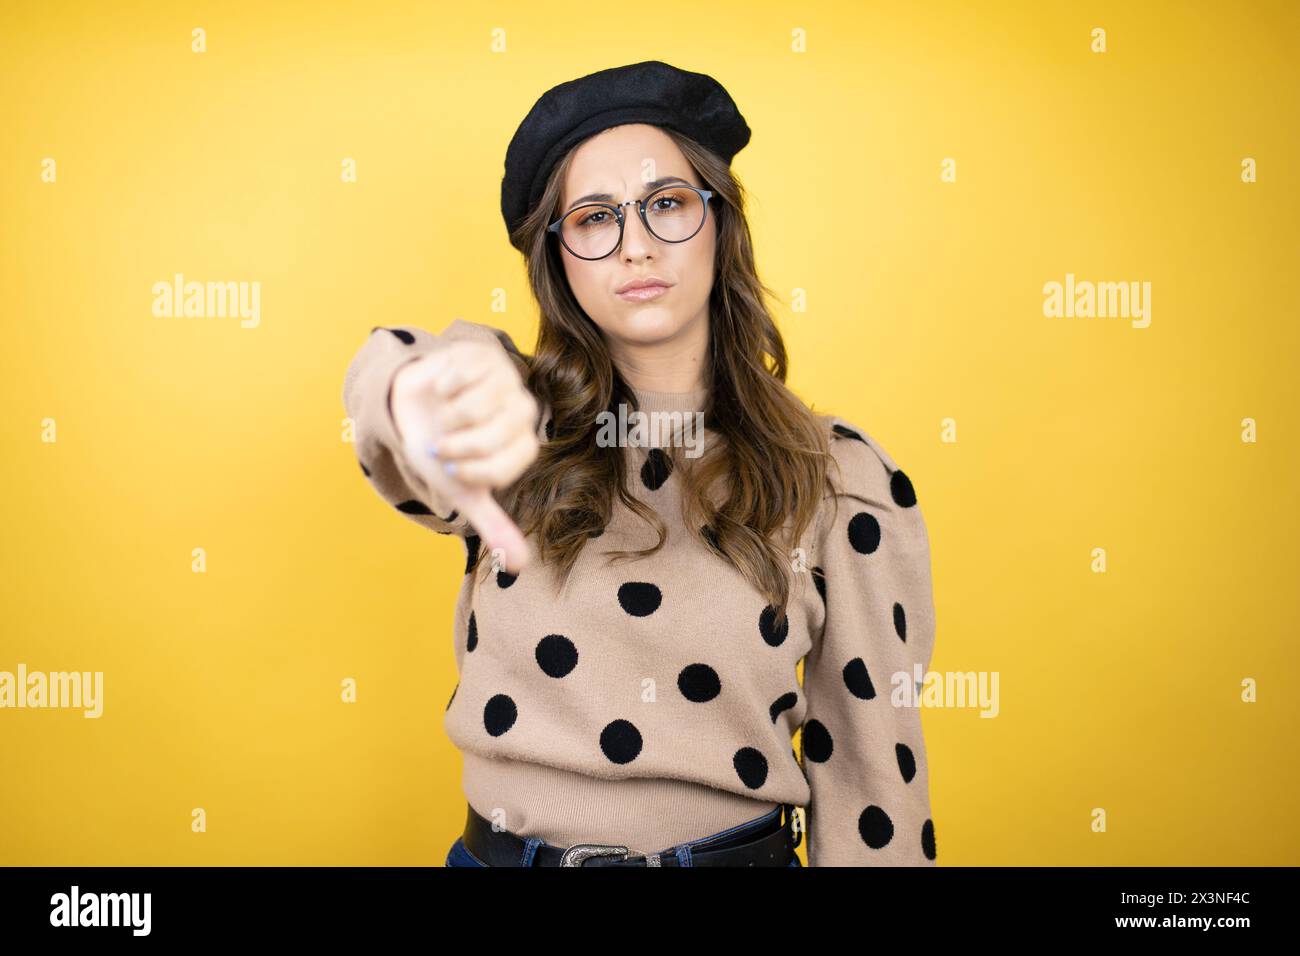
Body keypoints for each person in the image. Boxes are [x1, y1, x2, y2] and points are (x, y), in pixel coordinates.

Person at [342, 60, 938, 867]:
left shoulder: (840, 476)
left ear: (720, 220)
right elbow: (415, 379)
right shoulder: (515, 428)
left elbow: (877, 793)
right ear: (558, 259)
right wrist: (414, 392)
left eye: (666, 204)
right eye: (594, 218)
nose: (637, 247)